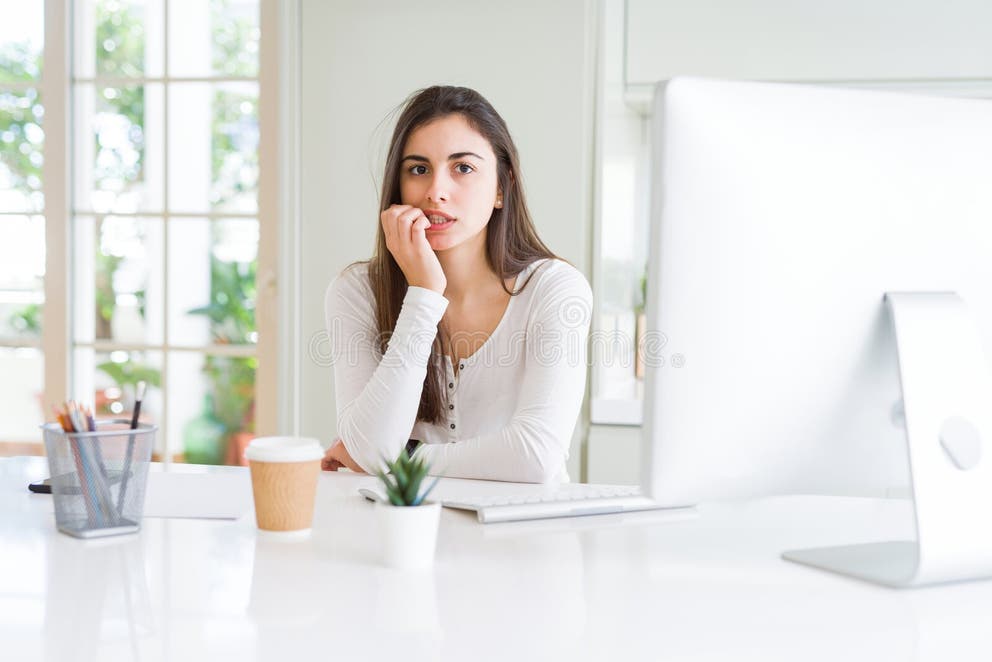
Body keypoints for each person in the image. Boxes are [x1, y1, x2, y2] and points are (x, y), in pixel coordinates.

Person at [322, 85, 591, 483]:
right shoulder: (356, 290)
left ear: (502, 187)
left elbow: (536, 456)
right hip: (402, 532)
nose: (436, 192)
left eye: (463, 168)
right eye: (418, 169)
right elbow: (370, 448)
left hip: (522, 540)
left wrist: (402, 460)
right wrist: (424, 294)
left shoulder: (554, 289)